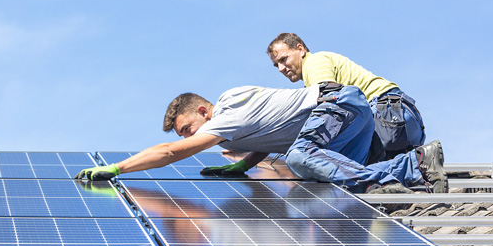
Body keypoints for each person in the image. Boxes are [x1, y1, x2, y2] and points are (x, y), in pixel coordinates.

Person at [74, 84, 447, 194]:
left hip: (338, 105)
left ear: (204, 112)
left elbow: (171, 152)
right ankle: (418, 170)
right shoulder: (239, 116)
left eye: (189, 127)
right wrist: (243, 165)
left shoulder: (226, 111)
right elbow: (272, 131)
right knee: (329, 183)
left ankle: (410, 165)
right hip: (342, 117)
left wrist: (119, 168)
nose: (192, 137)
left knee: (300, 158)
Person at [267, 33, 426, 161]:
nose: (281, 68)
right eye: (276, 65)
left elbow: (328, 101)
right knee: (389, 175)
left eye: (283, 59)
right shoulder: (316, 68)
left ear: (300, 49)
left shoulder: (314, 62)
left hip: (387, 114)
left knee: (329, 160)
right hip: (405, 120)